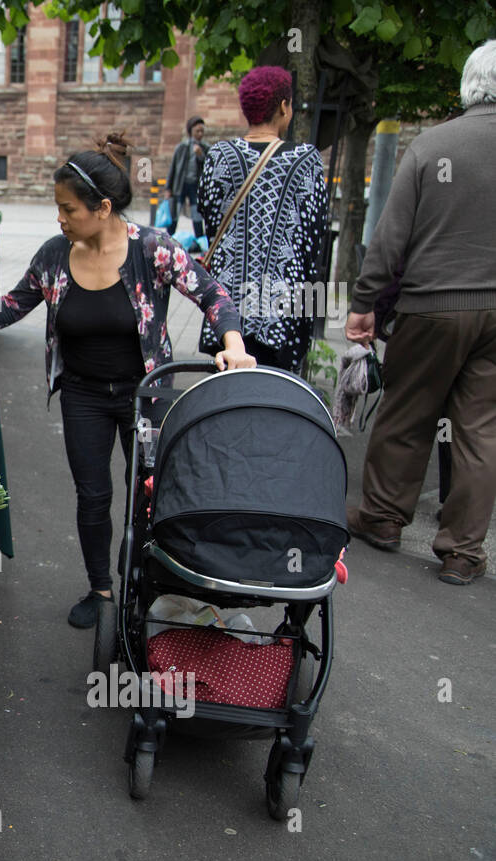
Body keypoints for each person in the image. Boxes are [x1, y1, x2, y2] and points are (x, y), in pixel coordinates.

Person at [0, 132, 255, 629]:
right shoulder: (56, 255)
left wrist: (233, 342)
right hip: (83, 394)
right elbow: (11, 305)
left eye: (68, 209)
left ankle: (144, 584)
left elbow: (212, 294)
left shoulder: (152, 249)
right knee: (93, 495)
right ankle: (100, 589)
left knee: (148, 493)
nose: (60, 218)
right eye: (57, 208)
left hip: (147, 395)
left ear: (102, 207)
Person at [343, 39, 496, 587]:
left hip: (431, 306)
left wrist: (365, 304)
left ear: (469, 85)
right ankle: (462, 551)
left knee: (407, 414)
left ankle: (383, 519)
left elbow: (388, 240)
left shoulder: (433, 146)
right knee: (481, 431)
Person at [199, 66, 328, 373]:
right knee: (274, 401)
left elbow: (209, 222)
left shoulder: (218, 155)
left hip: (227, 309)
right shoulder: (305, 159)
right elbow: (314, 238)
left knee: (228, 400)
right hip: (283, 311)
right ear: (284, 106)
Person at [166, 116, 206, 237]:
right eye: (197, 131)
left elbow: (208, 167)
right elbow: (173, 168)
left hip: (195, 185)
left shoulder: (205, 147)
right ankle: (168, 239)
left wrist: (201, 155)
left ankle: (200, 240)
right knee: (175, 213)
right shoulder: (181, 147)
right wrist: (168, 188)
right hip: (180, 185)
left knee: (196, 213)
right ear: (190, 131)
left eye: (202, 131)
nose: (200, 134)